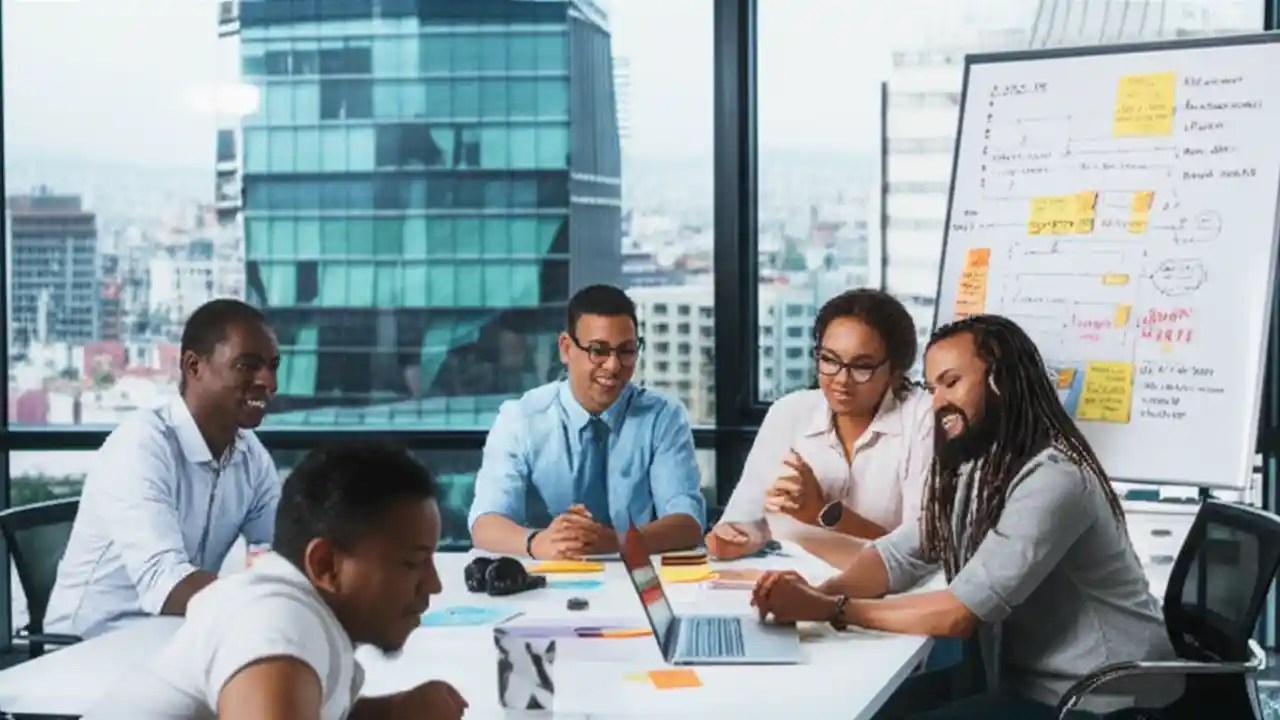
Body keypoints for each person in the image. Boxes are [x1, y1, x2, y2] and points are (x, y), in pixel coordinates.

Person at [750, 315, 1179, 718]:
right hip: (1026, 684)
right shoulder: (979, 466)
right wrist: (817, 593)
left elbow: (959, 614)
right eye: (932, 387)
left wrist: (830, 608)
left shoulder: (1055, 478)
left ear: (1000, 383)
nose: (937, 403)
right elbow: (901, 554)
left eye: (951, 383)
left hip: (1098, 699)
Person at [83, 441, 468, 720]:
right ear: (326, 565)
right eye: (412, 564)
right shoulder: (279, 623)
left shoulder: (293, 618)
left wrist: (393, 711)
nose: (433, 585)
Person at [46, 299, 282, 638]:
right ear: (194, 366)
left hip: (177, 634)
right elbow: (165, 583)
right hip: (90, 642)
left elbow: (282, 551)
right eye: (248, 365)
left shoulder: (250, 455)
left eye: (273, 367)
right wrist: (267, 602)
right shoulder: (142, 446)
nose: (270, 383)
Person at [469, 284, 706, 559]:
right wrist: (537, 542)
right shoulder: (521, 418)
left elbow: (688, 522)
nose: (613, 366)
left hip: (638, 574)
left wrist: (616, 541)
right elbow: (485, 523)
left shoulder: (662, 415)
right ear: (566, 348)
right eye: (598, 350)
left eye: (626, 351)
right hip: (544, 575)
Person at [707, 289, 933, 560]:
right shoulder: (789, 412)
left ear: (896, 372)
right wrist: (736, 537)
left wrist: (822, 513)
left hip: (882, 585)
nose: (842, 380)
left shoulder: (922, 419)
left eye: (862, 366)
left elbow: (921, 553)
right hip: (788, 577)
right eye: (829, 360)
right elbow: (745, 519)